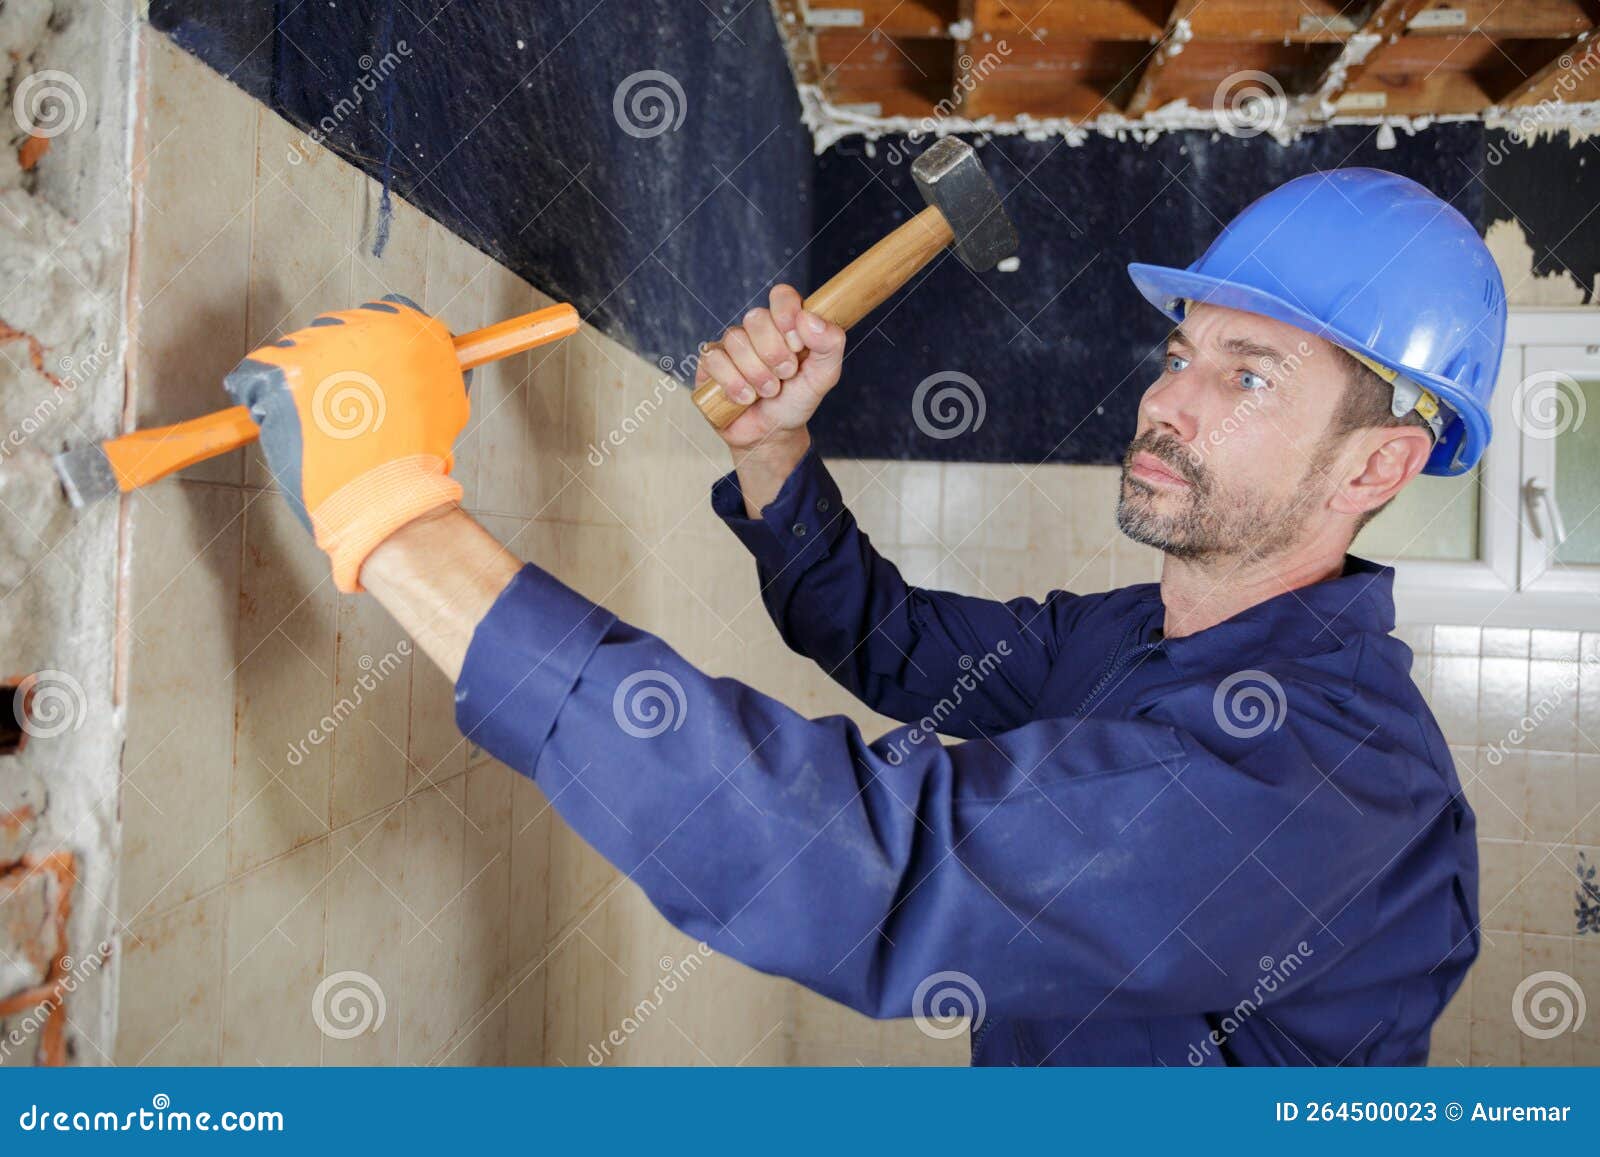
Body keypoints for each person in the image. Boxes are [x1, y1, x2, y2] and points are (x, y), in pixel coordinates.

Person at [228, 168, 1503, 1065]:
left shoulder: (1327, 774)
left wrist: (395, 516)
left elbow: (879, 862)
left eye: (1250, 374)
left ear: (1374, 469)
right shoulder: (1128, 638)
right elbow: (884, 636)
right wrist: (775, 447)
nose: (1171, 400)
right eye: (1182, 351)